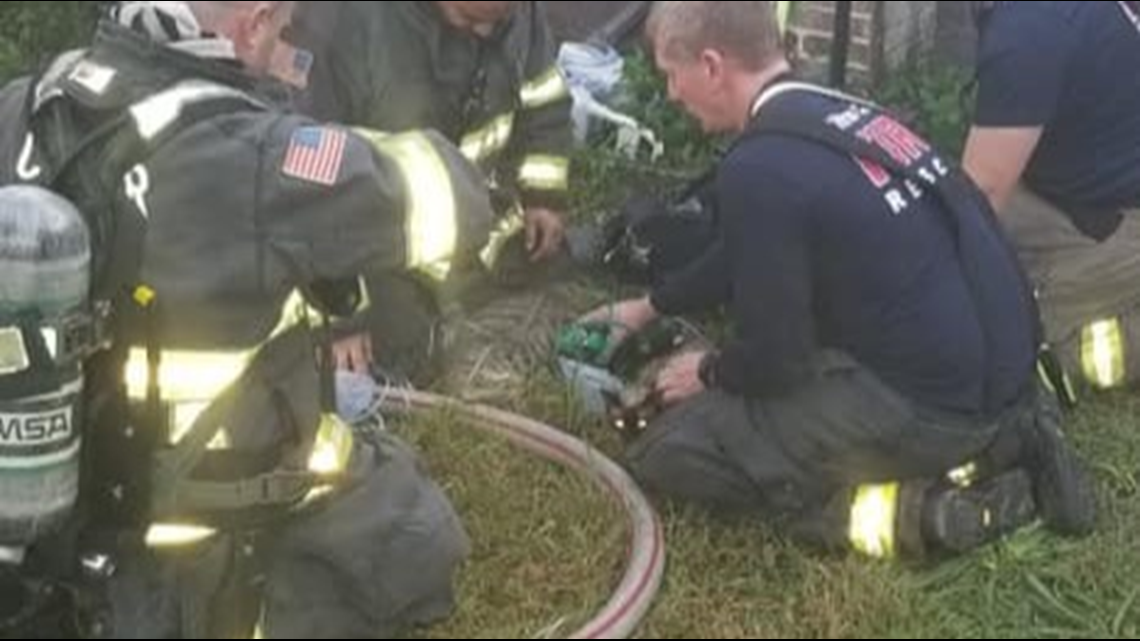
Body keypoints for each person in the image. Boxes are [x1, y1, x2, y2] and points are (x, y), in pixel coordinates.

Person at [0, 1, 495, 636]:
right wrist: (329, 136)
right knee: (407, 518)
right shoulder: (253, 153)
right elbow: (455, 200)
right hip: (195, 542)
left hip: (57, 517)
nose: (287, 41)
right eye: (283, 29)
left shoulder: (29, 103)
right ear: (256, 21)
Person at [586, 0, 1095, 560]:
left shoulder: (758, 168)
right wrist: (649, 306)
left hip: (933, 410)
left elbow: (777, 359)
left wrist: (706, 371)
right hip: (1002, 374)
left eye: (670, 74)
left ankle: (931, 514)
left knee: (668, 450)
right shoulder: (842, 115)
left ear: (711, 65)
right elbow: (744, 249)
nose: (672, 94)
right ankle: (1011, 438)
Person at [290, 1, 575, 379]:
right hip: (373, 249)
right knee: (395, 360)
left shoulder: (518, 14)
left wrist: (543, 196)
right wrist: (339, 313)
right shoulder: (344, 21)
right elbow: (306, 185)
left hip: (468, 232)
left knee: (555, 272)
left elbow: (544, 99)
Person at [963, 1, 1140, 391]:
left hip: (1117, 219)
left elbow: (982, 196)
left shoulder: (1030, 28)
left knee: (989, 335)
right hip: (1068, 182)